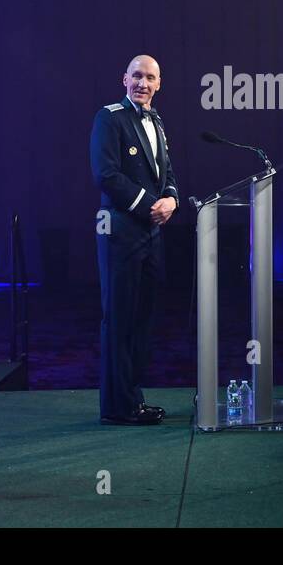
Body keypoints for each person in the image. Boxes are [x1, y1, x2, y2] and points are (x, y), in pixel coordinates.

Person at [89, 55, 180, 425]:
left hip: (150, 233)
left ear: (159, 84)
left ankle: (133, 399)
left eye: (150, 78)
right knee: (120, 319)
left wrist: (171, 198)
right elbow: (106, 175)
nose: (143, 83)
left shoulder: (156, 120)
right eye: (137, 76)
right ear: (124, 79)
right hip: (120, 231)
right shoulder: (109, 118)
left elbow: (166, 172)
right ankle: (117, 407)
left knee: (141, 320)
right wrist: (150, 207)